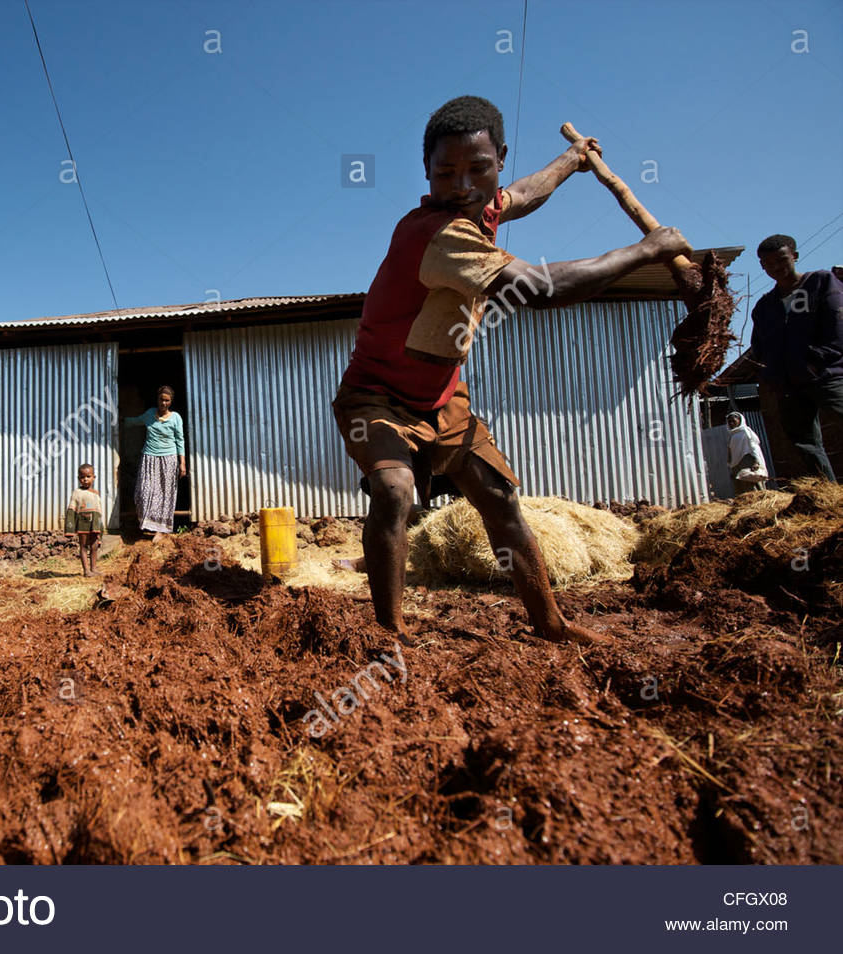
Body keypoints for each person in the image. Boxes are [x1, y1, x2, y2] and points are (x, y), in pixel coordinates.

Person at [331, 95, 692, 644]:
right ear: (426, 173)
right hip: (376, 396)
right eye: (445, 172)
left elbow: (524, 194)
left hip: (443, 396)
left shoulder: (484, 204)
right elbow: (542, 289)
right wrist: (647, 249)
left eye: (478, 169)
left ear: (499, 158)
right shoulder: (441, 232)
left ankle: (550, 622)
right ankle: (389, 630)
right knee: (395, 490)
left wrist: (571, 161)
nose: (462, 185)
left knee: (500, 500)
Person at [749, 234, 843, 481]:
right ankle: (828, 495)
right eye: (768, 264)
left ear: (795, 256)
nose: (776, 268)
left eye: (781, 260)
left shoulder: (820, 283)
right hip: (789, 383)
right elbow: (758, 346)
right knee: (803, 441)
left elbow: (838, 325)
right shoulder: (764, 306)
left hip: (827, 374)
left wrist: (815, 361)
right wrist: (771, 374)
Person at [127, 385, 186, 539]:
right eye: (161, 399)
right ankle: (148, 524)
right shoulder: (150, 414)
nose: (164, 403)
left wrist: (182, 463)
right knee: (143, 491)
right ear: (157, 399)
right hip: (149, 457)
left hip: (169, 459)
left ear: (171, 401)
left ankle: (160, 530)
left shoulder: (175, 418)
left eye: (167, 400)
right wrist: (119, 419)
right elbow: (134, 421)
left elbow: (180, 440)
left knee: (165, 494)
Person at [66, 463, 104, 576]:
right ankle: (86, 570)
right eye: (82, 477)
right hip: (83, 522)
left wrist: (100, 528)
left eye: (88, 476)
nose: (85, 480)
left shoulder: (96, 493)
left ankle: (94, 568)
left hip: (95, 524)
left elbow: (99, 511)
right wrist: (70, 528)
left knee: (94, 545)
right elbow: (71, 509)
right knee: (83, 546)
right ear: (79, 479)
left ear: (94, 477)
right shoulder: (77, 493)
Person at [726, 412, 769, 493]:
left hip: (748, 461)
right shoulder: (731, 435)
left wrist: (756, 462)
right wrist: (731, 467)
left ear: (740, 420)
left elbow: (754, 447)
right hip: (737, 466)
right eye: (729, 422)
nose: (731, 423)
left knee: (753, 485)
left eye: (733, 421)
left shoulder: (745, 432)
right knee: (741, 488)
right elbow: (731, 452)